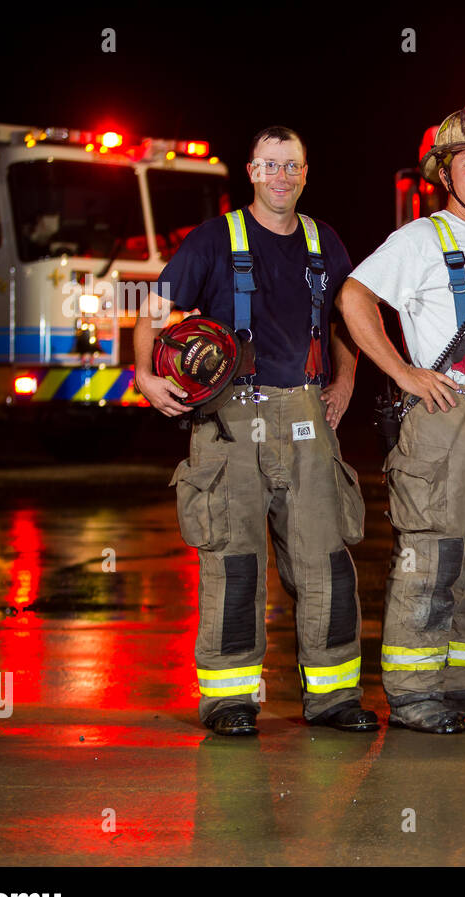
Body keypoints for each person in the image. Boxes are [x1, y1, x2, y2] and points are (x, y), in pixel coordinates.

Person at [134, 125, 376, 737]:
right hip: (229, 423)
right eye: (269, 165)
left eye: (291, 165)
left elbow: (351, 320)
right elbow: (154, 309)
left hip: (304, 415)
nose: (281, 177)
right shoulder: (214, 240)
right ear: (250, 171)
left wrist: (346, 381)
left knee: (324, 558)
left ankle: (332, 697)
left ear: (305, 172)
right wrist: (143, 373)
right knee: (235, 561)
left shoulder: (326, 241)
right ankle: (229, 698)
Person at [339, 95, 465, 734]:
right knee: (429, 562)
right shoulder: (422, 238)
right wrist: (401, 371)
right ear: (444, 174)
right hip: (442, 413)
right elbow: (353, 296)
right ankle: (412, 694)